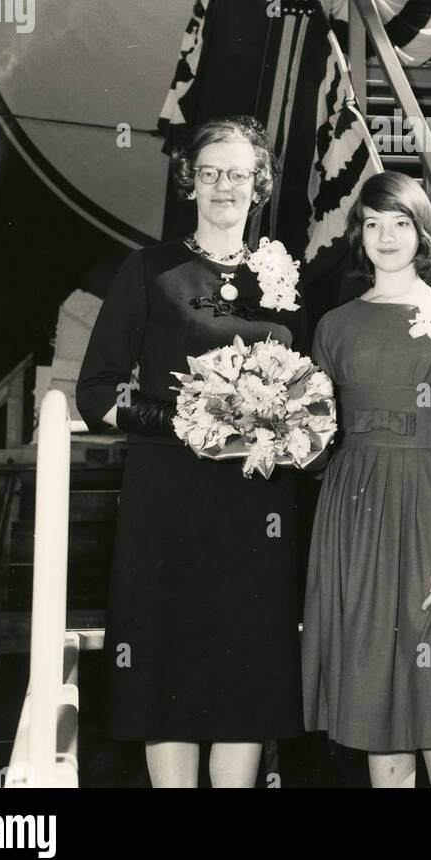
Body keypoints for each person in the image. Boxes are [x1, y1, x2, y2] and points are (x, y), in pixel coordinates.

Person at [75, 117, 309, 787]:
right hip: (168, 499)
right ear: (190, 183)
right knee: (164, 669)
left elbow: (303, 391)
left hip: (254, 505)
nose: (223, 187)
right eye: (209, 173)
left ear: (259, 186)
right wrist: (186, 422)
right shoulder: (149, 270)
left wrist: (292, 429)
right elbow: (96, 392)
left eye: (238, 174)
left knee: (244, 673)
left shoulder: (281, 276)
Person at [302, 171, 431, 788]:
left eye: (400, 222)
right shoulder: (333, 326)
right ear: (358, 233)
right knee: (378, 702)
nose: (386, 236)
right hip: (356, 514)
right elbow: (318, 439)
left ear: (422, 233)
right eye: (373, 223)